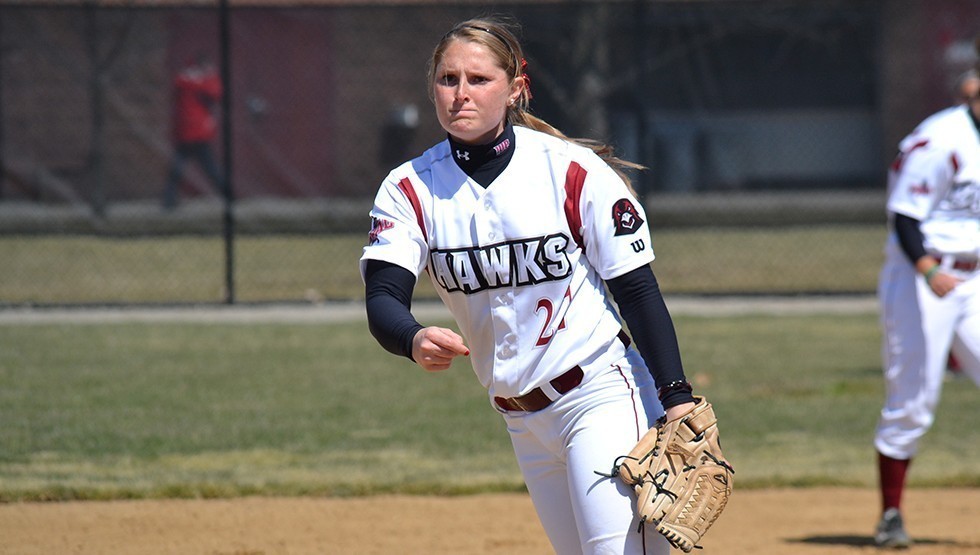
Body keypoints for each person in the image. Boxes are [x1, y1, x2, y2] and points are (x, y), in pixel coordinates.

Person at [360, 16, 701, 554]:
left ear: (516, 87)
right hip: (520, 418)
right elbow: (382, 297)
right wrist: (411, 336)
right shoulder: (410, 189)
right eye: (448, 79)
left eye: (478, 79)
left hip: (602, 394)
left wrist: (676, 397)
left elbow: (636, 290)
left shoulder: (570, 171)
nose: (460, 94)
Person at [873, 36, 980, 550]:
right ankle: (891, 515)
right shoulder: (941, 140)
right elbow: (905, 216)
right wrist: (928, 268)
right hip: (923, 275)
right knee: (914, 400)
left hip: (974, 278)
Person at [162, 53, 224, 210]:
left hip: (197, 133)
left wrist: (204, 78)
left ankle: (227, 194)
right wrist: (202, 78)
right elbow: (182, 82)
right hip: (188, 132)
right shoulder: (188, 80)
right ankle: (169, 201)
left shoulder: (203, 82)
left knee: (207, 167)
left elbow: (215, 92)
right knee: (178, 168)